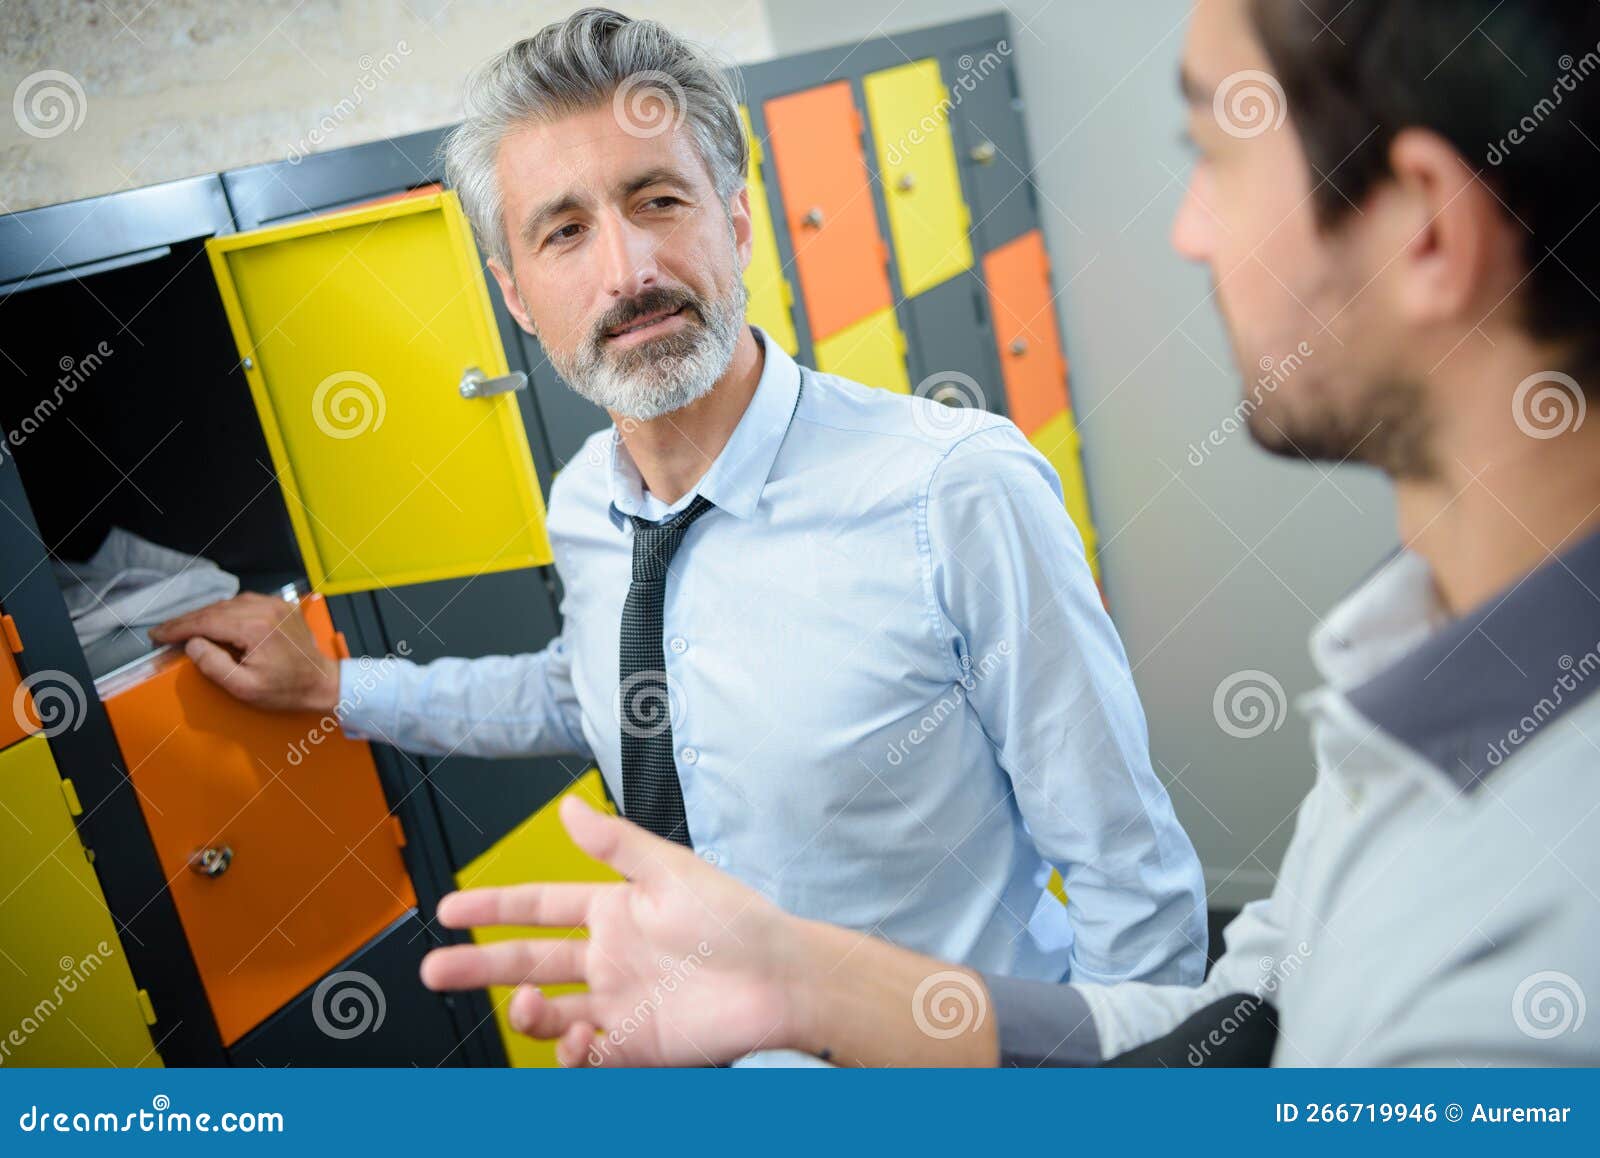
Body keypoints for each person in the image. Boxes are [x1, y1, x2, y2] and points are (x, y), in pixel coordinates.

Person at [417, 0, 1600, 1067]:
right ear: (512, 290)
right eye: (562, 231)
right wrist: (805, 987)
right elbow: (1244, 1015)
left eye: (1213, 153)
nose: (1186, 229)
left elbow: (1151, 933)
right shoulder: (1403, 681)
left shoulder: (1511, 997)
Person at [150, 6, 1207, 1030]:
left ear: (735, 220)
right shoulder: (587, 506)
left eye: (657, 201)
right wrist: (332, 685)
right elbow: (592, 692)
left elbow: (1130, 884)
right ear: (515, 295)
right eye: (563, 232)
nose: (628, 272)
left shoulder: (954, 490)